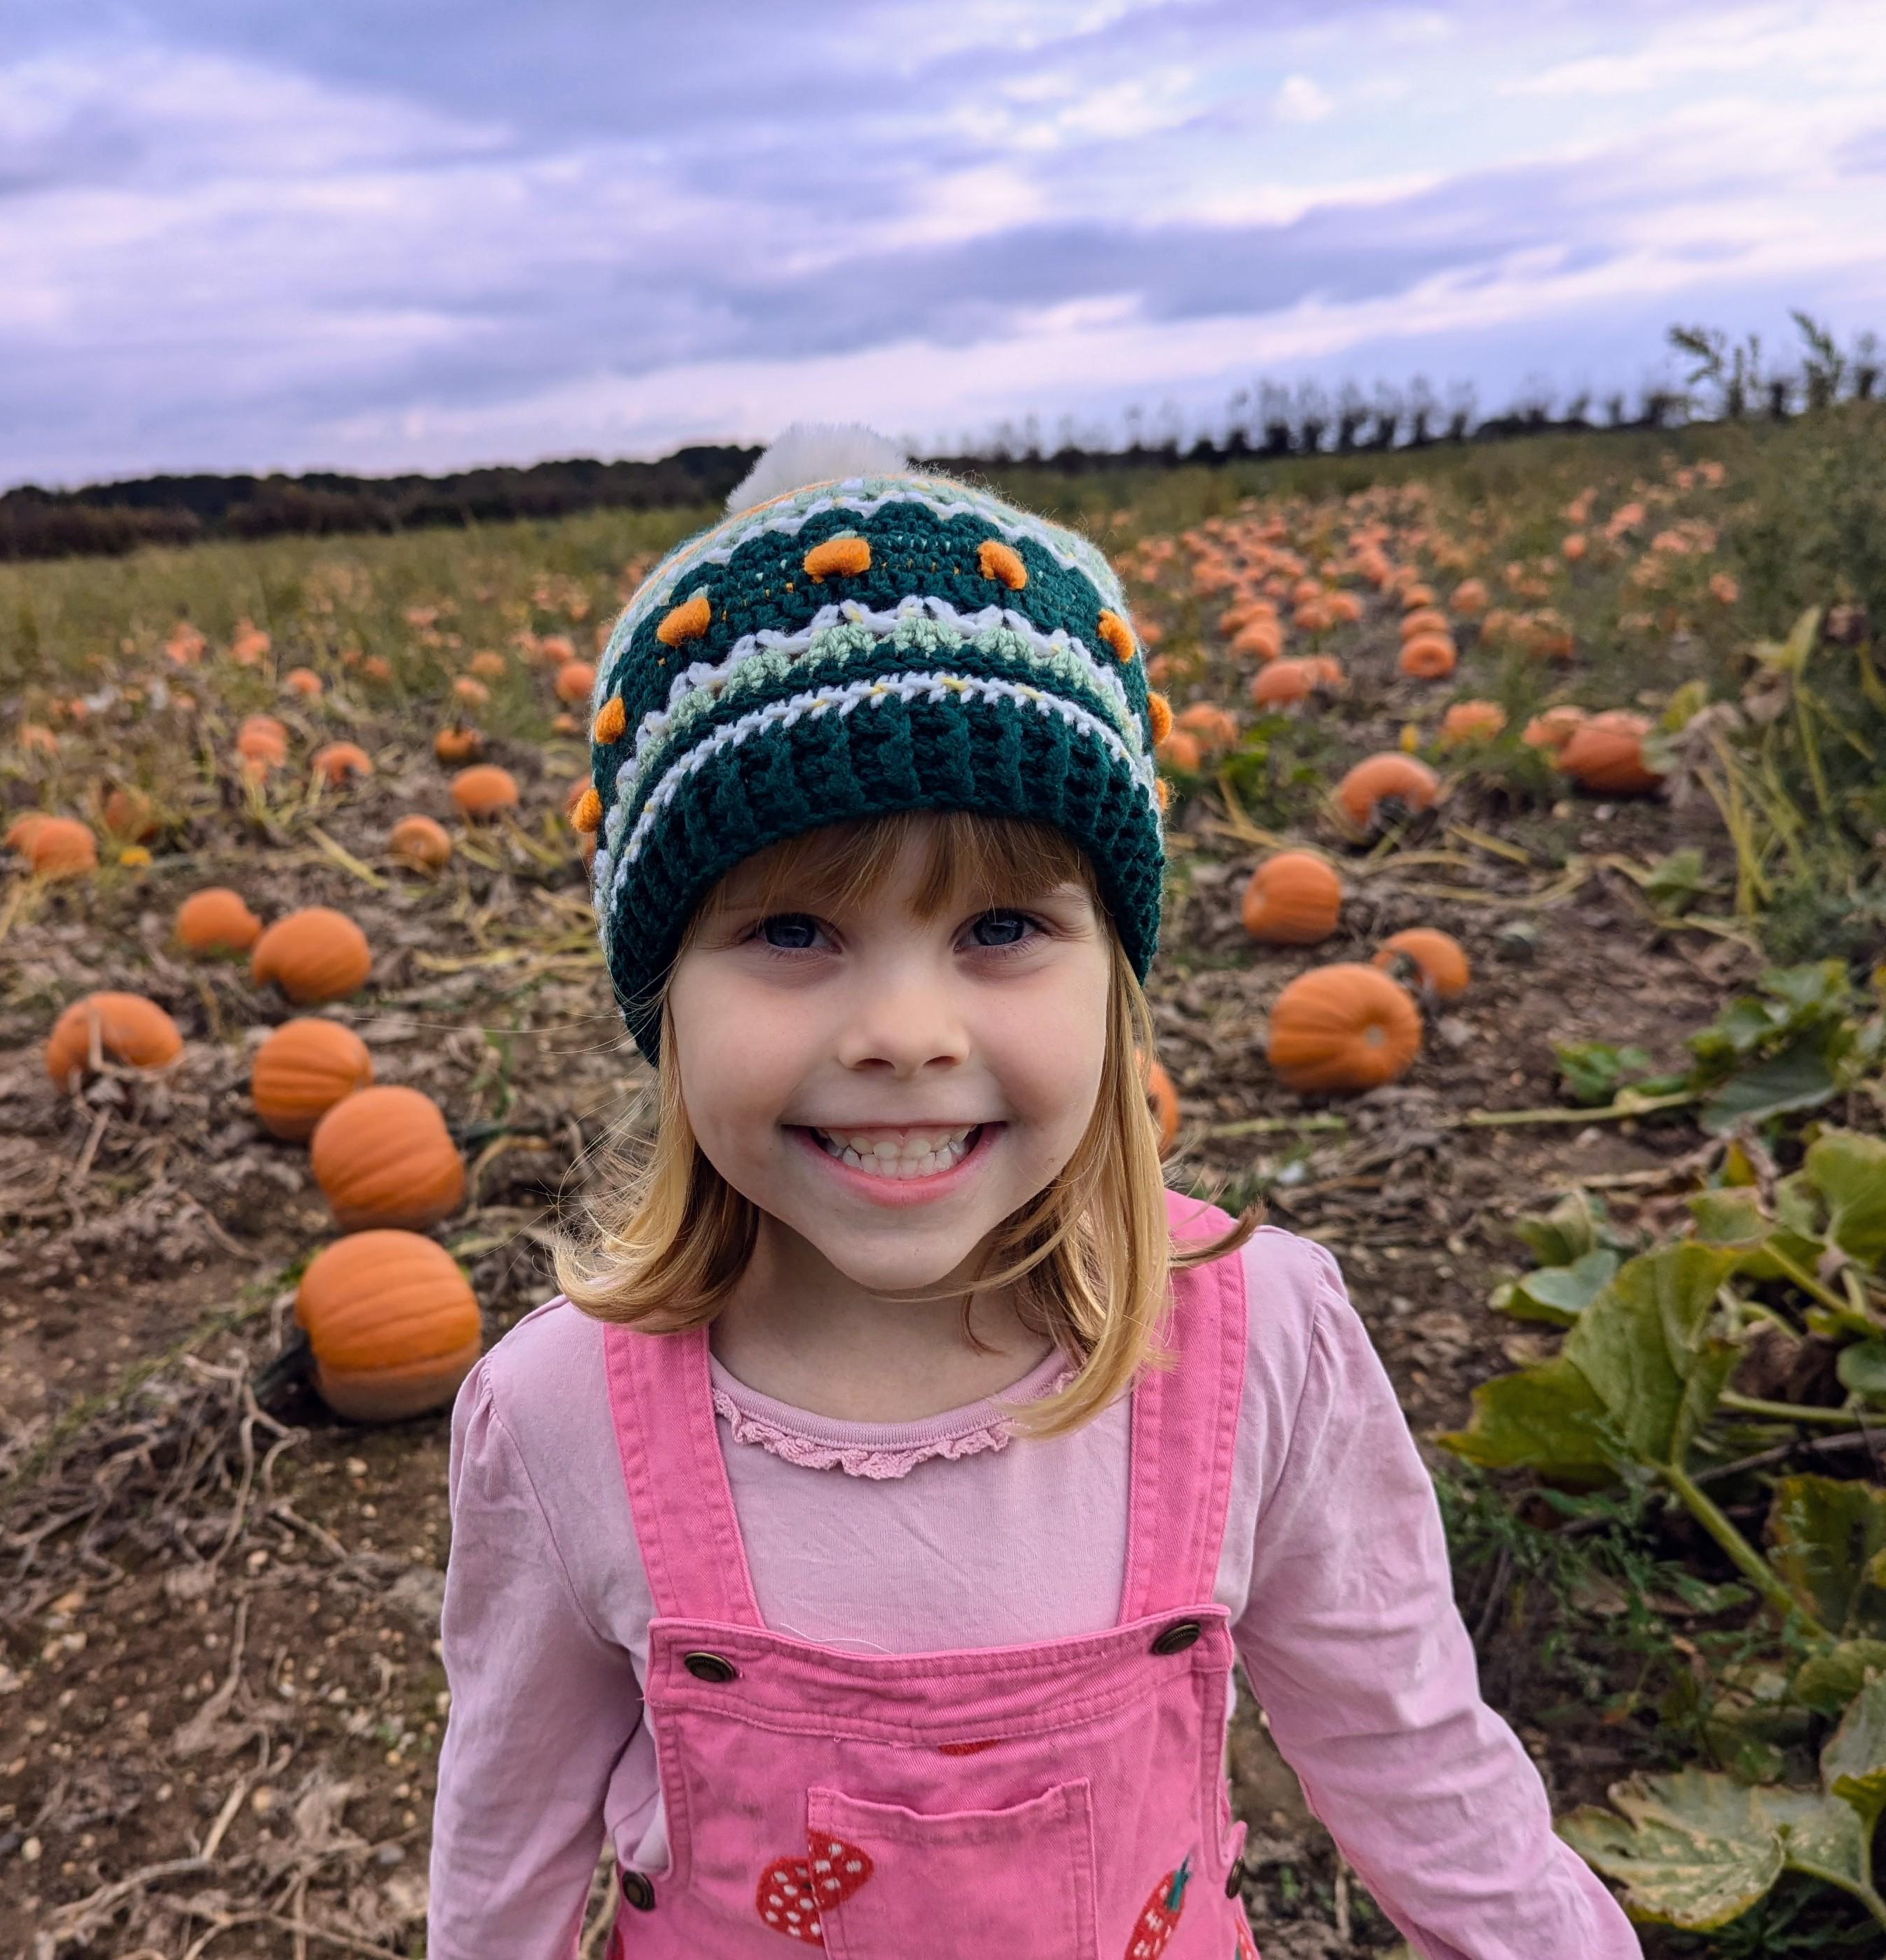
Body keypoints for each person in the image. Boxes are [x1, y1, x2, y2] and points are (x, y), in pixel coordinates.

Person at [426, 427, 1640, 1959]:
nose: (905, 1032)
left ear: (1116, 983)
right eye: (793, 932)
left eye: (1001, 923)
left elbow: (1410, 1752)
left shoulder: (1255, 1337)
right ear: (663, 996)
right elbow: (505, 1847)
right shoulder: (560, 1414)